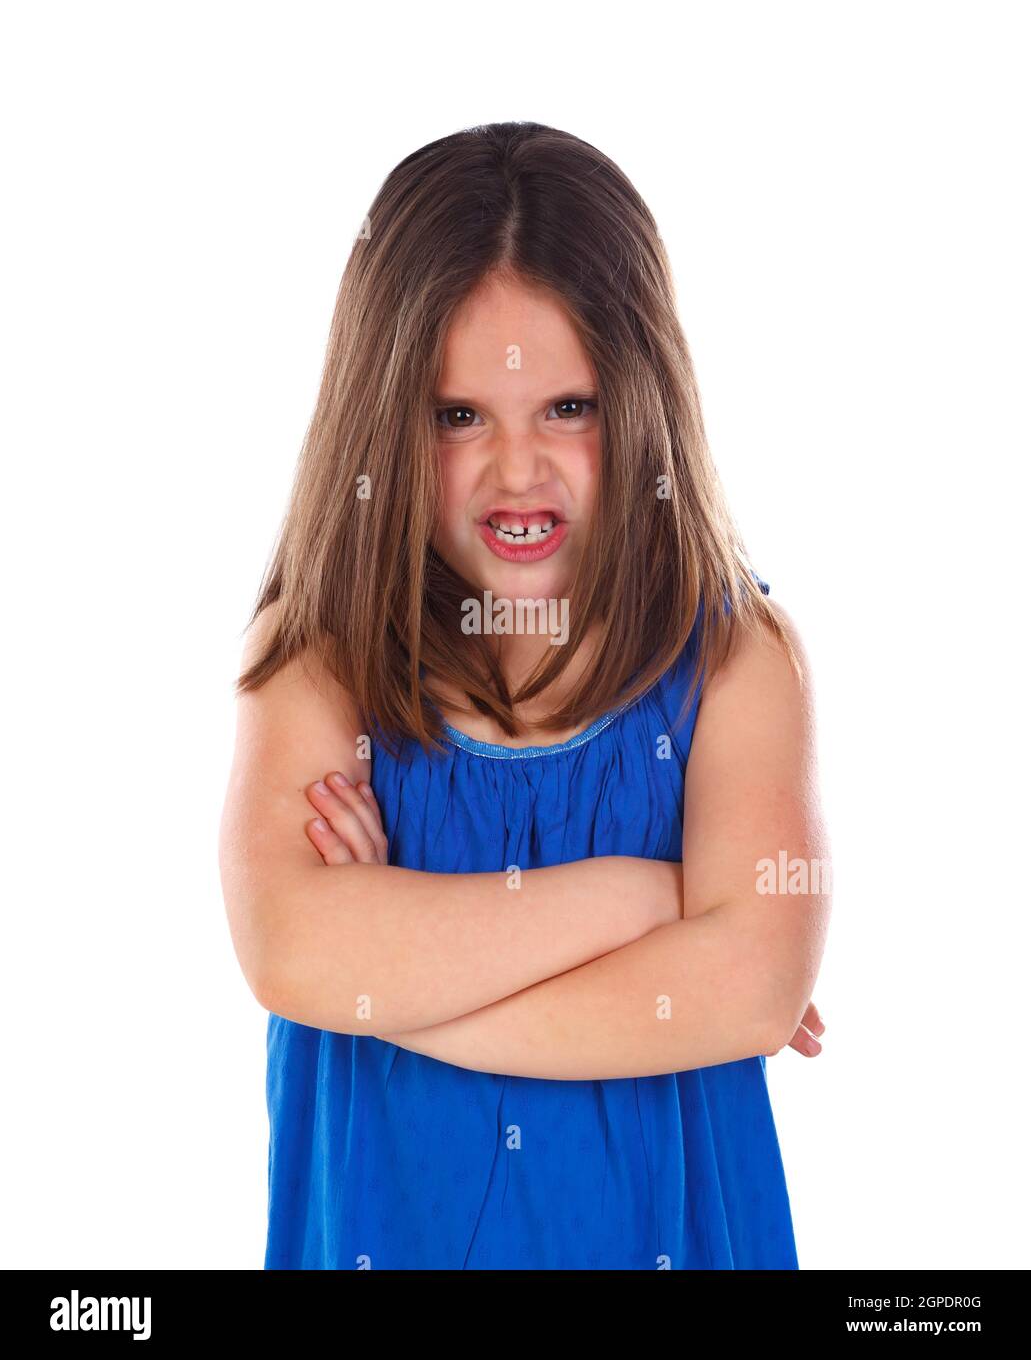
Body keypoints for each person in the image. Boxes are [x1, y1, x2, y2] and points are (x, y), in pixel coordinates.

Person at [219, 121, 832, 1270]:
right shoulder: (319, 659)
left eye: (568, 407)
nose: (516, 470)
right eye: (459, 416)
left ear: (641, 399)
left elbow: (750, 989)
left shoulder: (735, 660)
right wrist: (648, 902)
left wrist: (394, 986)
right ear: (383, 419)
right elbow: (293, 951)